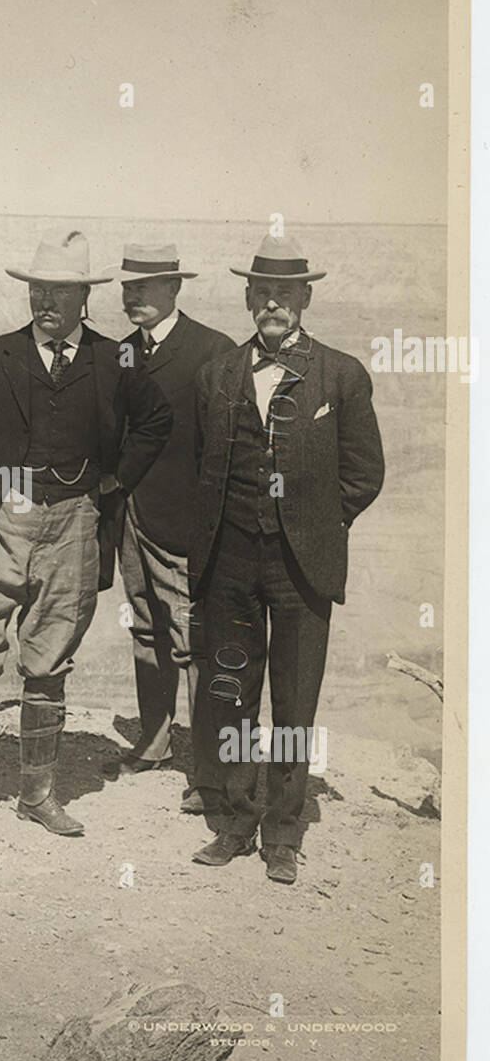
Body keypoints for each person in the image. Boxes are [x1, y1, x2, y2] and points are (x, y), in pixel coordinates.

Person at [0, 228, 173, 836]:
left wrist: (114, 482)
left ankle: (38, 794)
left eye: (60, 292)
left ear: (82, 298)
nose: (47, 302)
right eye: (39, 289)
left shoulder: (113, 358)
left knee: (49, 658)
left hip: (74, 525)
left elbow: (156, 419)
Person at [189, 234, 384, 883]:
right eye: (262, 292)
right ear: (248, 297)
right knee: (233, 694)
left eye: (285, 294)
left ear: (304, 298)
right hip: (231, 562)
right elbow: (202, 463)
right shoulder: (216, 374)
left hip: (303, 568)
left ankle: (284, 832)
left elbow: (364, 472)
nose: (272, 304)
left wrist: (318, 527)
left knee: (293, 703)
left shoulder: (341, 375)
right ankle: (238, 822)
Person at [110, 243, 235, 809]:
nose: (131, 295)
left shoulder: (213, 352)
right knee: (145, 628)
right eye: (127, 286)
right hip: (130, 519)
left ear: (174, 289)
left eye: (145, 286)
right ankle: (155, 741)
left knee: (193, 641)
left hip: (185, 524)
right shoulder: (121, 354)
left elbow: (227, 450)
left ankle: (209, 774)